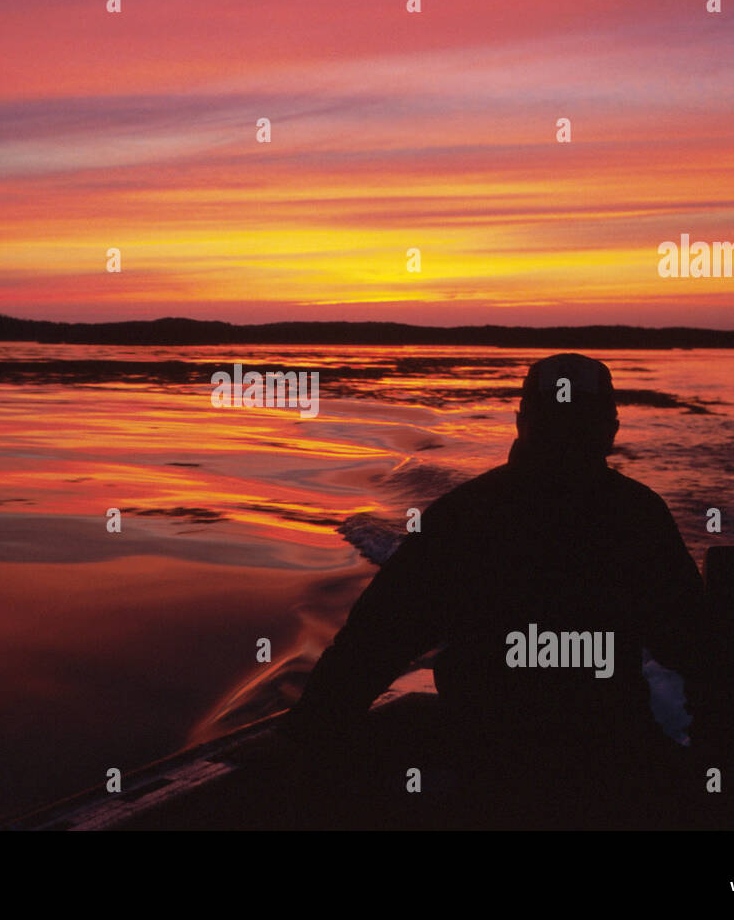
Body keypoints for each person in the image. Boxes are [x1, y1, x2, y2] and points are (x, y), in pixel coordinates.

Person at [280, 353, 708, 826]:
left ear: (522, 422)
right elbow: (693, 645)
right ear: (611, 428)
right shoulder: (639, 516)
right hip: (604, 762)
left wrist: (303, 743)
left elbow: (373, 643)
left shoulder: (465, 514)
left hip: (487, 766)